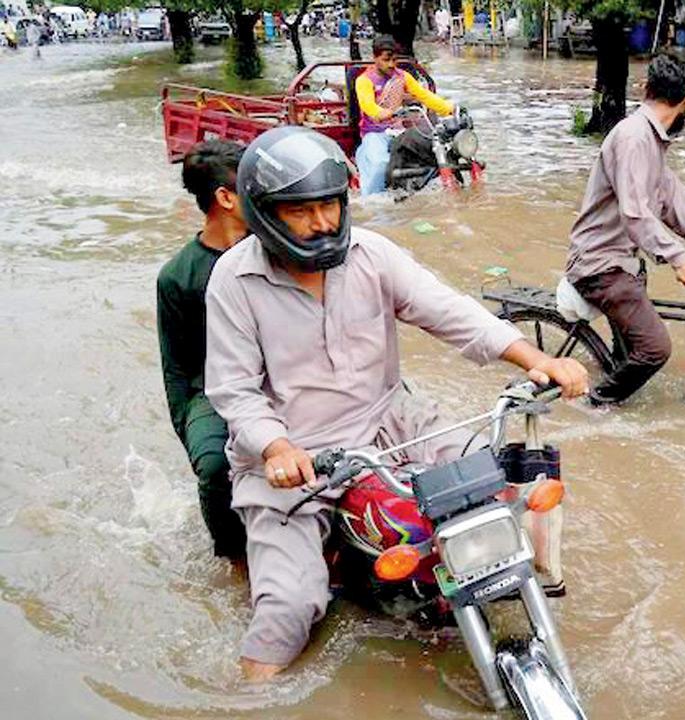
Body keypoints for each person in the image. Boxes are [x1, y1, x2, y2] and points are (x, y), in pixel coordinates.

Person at [204, 127, 589, 681]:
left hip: (391, 423)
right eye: (302, 211)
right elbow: (234, 391)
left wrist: (533, 358)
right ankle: (248, 694)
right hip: (295, 458)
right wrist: (277, 448)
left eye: (330, 206)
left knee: (506, 496)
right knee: (289, 608)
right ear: (265, 213)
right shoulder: (233, 280)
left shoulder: (372, 254)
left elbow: (448, 310)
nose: (323, 224)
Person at [564, 54, 685, 407]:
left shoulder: (652, 139)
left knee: (629, 356)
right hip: (601, 265)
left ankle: (613, 399)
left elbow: (675, 204)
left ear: (645, 88)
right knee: (655, 349)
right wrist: (679, 259)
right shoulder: (634, 138)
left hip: (625, 264)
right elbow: (635, 214)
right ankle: (593, 407)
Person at [157, 140, 250, 560]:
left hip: (279, 372)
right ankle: (233, 556)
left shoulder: (277, 251)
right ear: (225, 198)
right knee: (215, 465)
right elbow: (176, 370)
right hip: (210, 390)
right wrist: (191, 435)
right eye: (253, 185)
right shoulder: (178, 276)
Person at [354, 35, 455, 196]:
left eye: (394, 60)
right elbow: (368, 106)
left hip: (400, 132)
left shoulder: (402, 77)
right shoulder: (364, 80)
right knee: (380, 164)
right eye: (386, 59)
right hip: (375, 133)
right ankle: (372, 200)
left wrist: (450, 109)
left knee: (433, 154)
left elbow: (425, 96)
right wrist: (384, 113)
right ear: (375, 58)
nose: (391, 65)